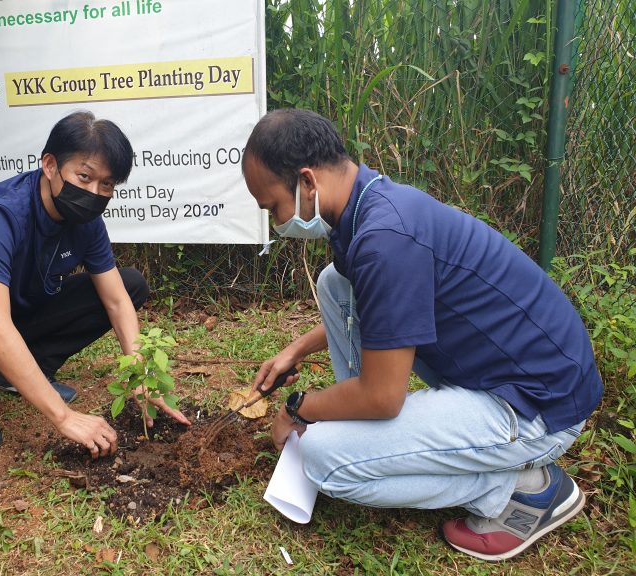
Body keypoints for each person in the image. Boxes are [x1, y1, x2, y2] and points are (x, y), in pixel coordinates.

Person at [242, 109, 603, 561]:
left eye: (272, 206)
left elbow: (383, 397)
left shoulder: (385, 238)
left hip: (537, 408)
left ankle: (520, 490)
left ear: (307, 182)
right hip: (511, 373)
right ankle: (361, 423)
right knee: (337, 283)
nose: (276, 222)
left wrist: (301, 408)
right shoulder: (370, 205)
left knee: (323, 459)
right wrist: (294, 349)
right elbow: (382, 304)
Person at [0, 111, 190, 455]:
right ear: (50, 166)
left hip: (15, 308)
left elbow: (115, 300)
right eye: (84, 177)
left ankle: (18, 373)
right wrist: (63, 416)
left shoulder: (85, 220)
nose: (95, 192)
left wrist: (143, 378)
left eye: (107, 184)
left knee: (130, 284)